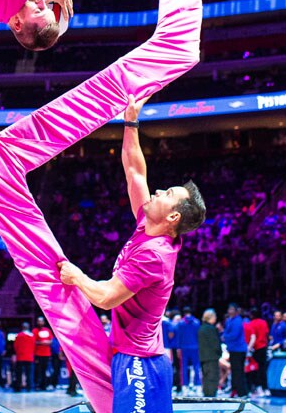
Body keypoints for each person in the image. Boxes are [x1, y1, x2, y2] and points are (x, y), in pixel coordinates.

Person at [59, 94, 207, 413]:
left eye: (167, 193)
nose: (158, 190)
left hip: (140, 362)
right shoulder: (148, 225)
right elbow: (135, 171)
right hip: (134, 356)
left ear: (173, 217)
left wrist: (76, 276)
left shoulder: (154, 255)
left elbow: (106, 297)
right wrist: (130, 121)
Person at [221, 305, 247, 398]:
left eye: (232, 309)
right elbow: (226, 332)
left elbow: (234, 335)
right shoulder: (229, 320)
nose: (230, 311)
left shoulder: (238, 321)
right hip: (232, 349)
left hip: (239, 350)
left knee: (238, 371)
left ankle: (242, 393)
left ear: (236, 311)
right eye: (229, 309)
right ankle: (234, 390)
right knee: (234, 371)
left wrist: (225, 337)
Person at [244, 308, 270, 398]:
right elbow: (266, 334)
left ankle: (257, 388)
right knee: (263, 369)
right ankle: (265, 388)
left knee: (255, 370)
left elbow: (251, 337)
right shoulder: (264, 322)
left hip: (255, 349)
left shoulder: (250, 324)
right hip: (263, 347)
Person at [197, 309, 222, 398]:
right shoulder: (211, 329)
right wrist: (219, 353)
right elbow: (215, 343)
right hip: (212, 357)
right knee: (212, 377)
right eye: (214, 316)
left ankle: (206, 394)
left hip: (203, 357)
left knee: (206, 376)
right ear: (210, 317)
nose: (215, 318)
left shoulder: (201, 328)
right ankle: (211, 396)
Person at [176, 307, 200, 394]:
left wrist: (178, 348)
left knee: (184, 367)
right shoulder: (197, 322)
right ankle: (198, 386)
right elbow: (198, 336)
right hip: (195, 347)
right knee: (196, 367)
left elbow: (178, 336)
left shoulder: (181, 323)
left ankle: (184, 387)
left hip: (184, 347)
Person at [161, 311, 181, 395]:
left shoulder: (152, 320)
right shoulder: (167, 322)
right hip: (166, 347)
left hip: (156, 347)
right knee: (168, 366)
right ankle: (169, 386)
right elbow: (171, 334)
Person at [11, 323, 34, 392]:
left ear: (22, 327)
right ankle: (29, 388)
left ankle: (18, 388)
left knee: (19, 373)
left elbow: (15, 346)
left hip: (20, 357)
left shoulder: (19, 335)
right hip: (29, 357)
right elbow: (33, 346)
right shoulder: (32, 336)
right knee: (28, 373)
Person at [32, 317, 53, 389]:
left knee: (44, 370)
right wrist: (43, 342)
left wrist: (45, 342)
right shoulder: (34, 331)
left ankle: (44, 385)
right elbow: (33, 342)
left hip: (46, 354)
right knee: (38, 370)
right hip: (38, 354)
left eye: (41, 321)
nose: (40, 322)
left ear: (44, 322)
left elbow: (51, 341)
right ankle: (37, 385)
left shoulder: (48, 330)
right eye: (38, 321)